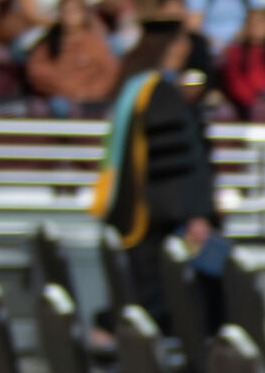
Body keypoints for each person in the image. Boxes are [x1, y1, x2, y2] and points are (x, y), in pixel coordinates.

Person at [92, 19, 218, 333]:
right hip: (161, 217)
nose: (186, 48)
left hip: (143, 207)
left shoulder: (137, 88)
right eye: (181, 41)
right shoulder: (161, 94)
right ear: (170, 46)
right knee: (164, 297)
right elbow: (178, 158)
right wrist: (195, 212)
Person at [26, 0, 119, 114]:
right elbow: (37, 71)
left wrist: (88, 92)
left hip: (90, 99)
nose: (70, 16)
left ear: (84, 14)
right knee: (58, 106)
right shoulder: (49, 41)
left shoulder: (96, 43)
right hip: (59, 98)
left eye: (74, 11)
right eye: (66, 11)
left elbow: (108, 72)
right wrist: (65, 88)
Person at [222, 8, 265, 118]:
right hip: (246, 105)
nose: (256, 26)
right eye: (252, 22)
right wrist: (252, 99)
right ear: (245, 26)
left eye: (260, 22)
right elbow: (235, 81)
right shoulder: (235, 52)